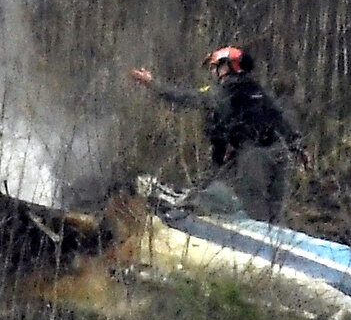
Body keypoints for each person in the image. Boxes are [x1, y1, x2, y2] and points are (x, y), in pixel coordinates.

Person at [129, 46, 306, 222]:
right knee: (274, 212)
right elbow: (280, 119)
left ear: (229, 66)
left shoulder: (225, 91)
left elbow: (186, 97)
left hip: (254, 155)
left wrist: (153, 84)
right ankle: (275, 242)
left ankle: (250, 244)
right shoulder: (258, 89)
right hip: (279, 152)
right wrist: (297, 146)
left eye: (217, 67)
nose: (214, 71)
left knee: (255, 209)